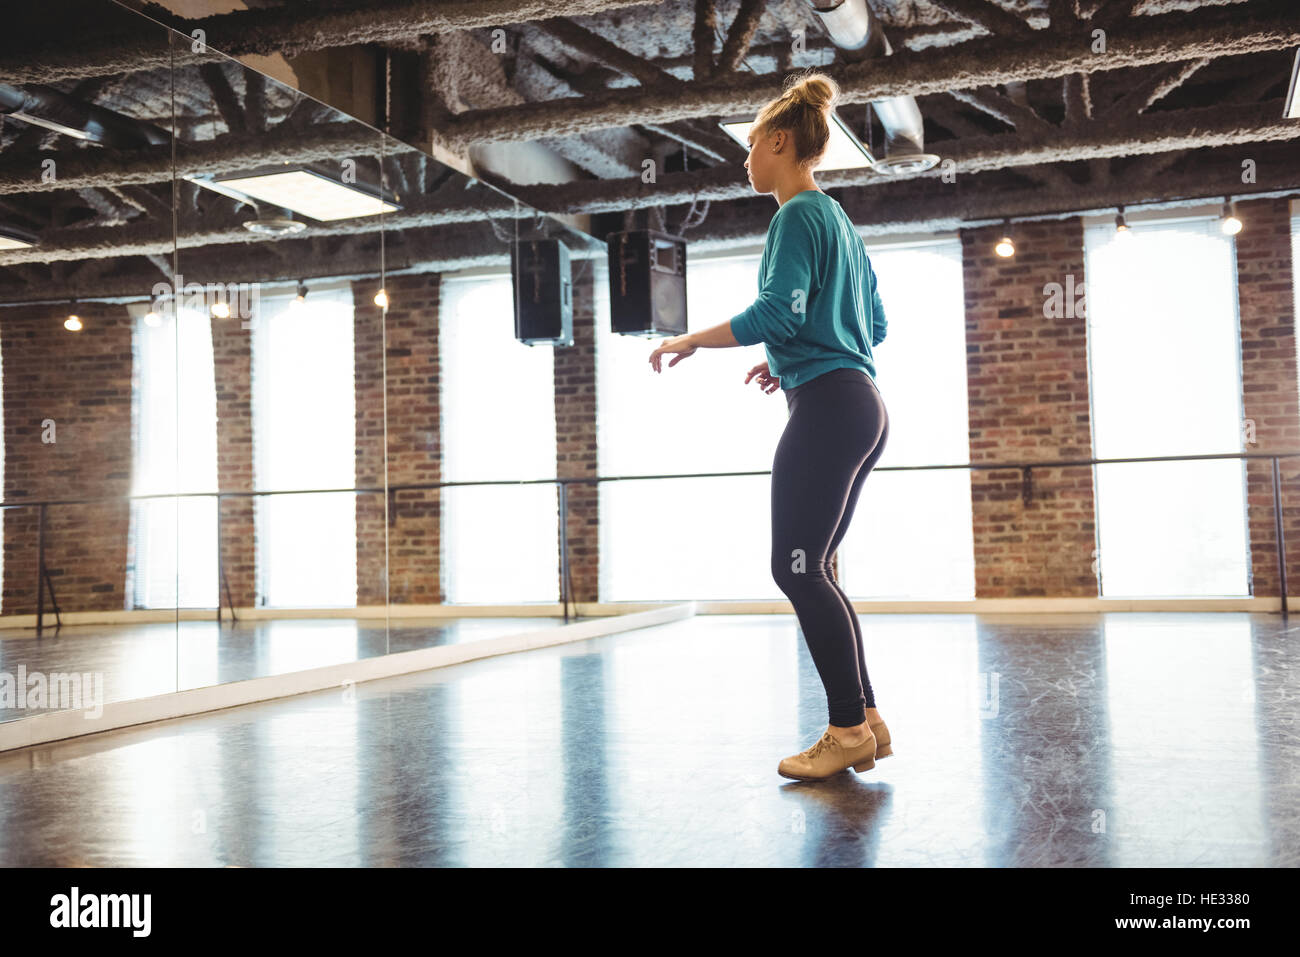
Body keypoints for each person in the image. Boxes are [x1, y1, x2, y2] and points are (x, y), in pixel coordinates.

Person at [648, 70, 893, 782]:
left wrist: (693, 338)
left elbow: (778, 312)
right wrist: (792, 364)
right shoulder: (839, 221)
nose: (745, 159)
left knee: (793, 566)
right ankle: (867, 718)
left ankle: (845, 728)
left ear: (779, 141)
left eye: (751, 146)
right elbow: (874, 323)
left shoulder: (794, 216)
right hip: (862, 404)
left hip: (829, 407)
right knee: (814, 567)